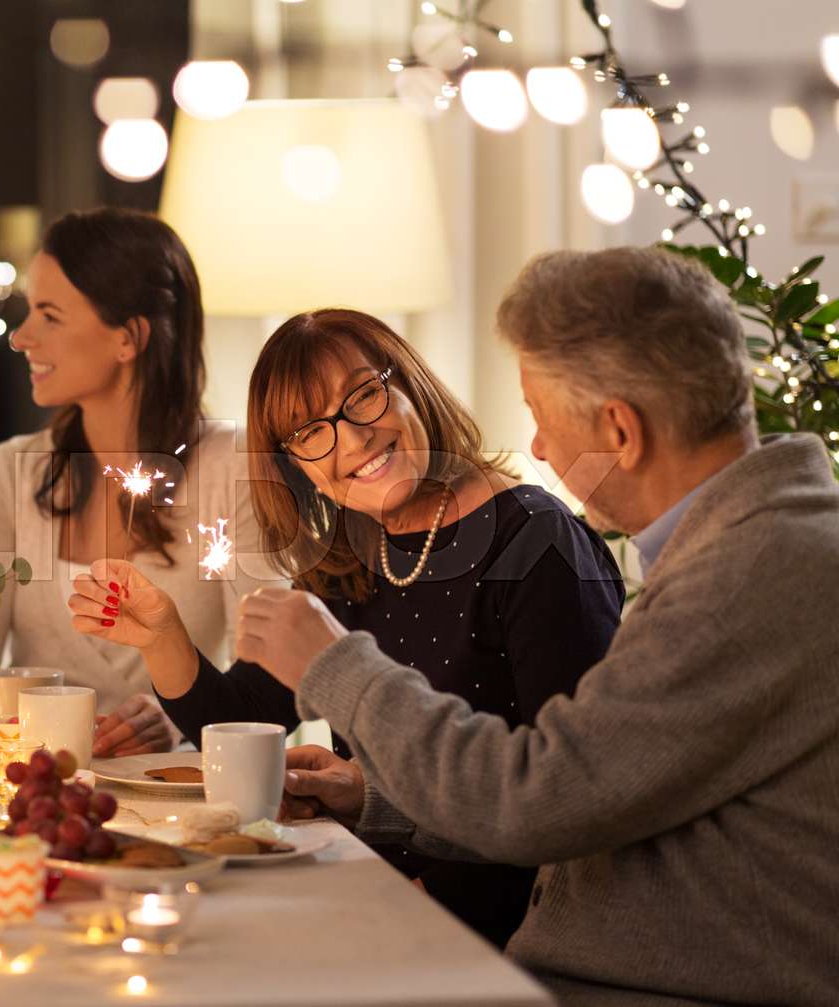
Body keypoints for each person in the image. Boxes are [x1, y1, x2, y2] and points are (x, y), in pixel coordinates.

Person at [234, 249, 839, 1003]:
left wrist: (336, 667)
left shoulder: (749, 575)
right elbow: (596, 795)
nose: (542, 450)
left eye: (544, 420)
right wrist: (372, 794)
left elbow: (540, 804)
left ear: (620, 431)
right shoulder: (747, 544)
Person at [71, 308, 623, 946]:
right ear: (296, 467)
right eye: (311, 432)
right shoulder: (350, 554)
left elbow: (572, 804)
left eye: (364, 395)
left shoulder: (537, 544)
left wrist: (423, 902)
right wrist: (161, 635)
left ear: (409, 384)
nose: (351, 439)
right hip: (362, 889)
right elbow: (245, 720)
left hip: (492, 934)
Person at [0, 207, 283, 758]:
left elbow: (270, 674)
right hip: (37, 792)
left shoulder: (235, 466)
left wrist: (176, 716)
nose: (21, 338)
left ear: (128, 338)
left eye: (50, 315)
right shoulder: (8, 473)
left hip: (181, 800)